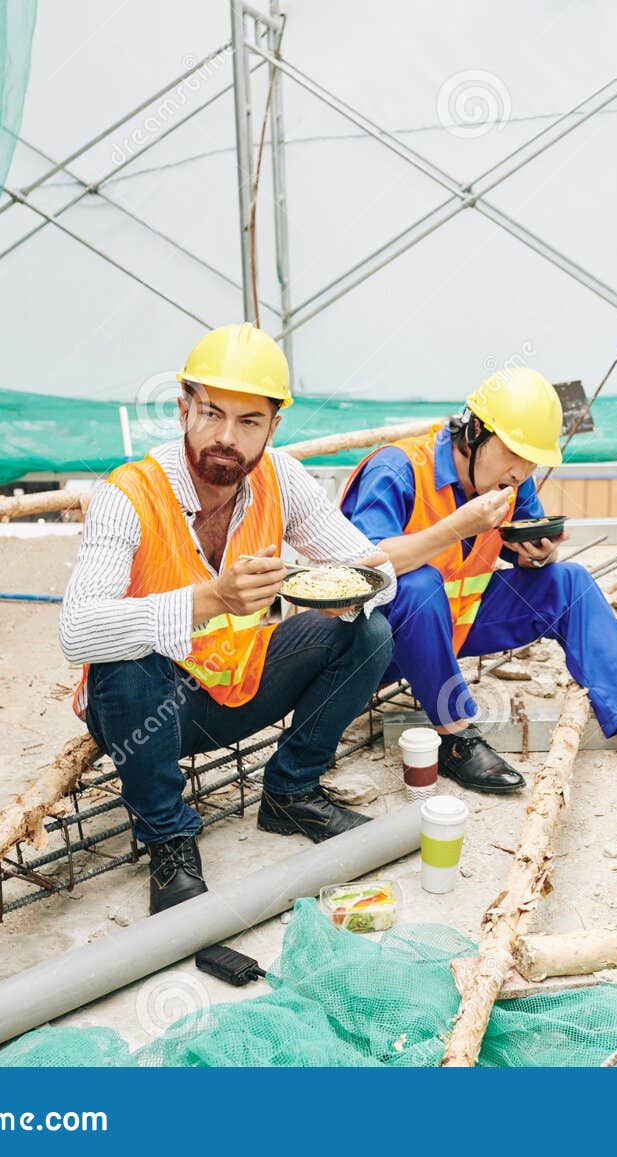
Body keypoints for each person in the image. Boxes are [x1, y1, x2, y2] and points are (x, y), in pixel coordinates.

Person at [60, 324, 395, 914]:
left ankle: (291, 792)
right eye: (211, 414)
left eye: (248, 422)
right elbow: (77, 631)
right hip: (146, 715)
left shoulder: (279, 477)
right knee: (125, 661)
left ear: (272, 428)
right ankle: (168, 840)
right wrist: (212, 598)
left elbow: (375, 570)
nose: (226, 438)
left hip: (235, 687)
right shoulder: (128, 495)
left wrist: (340, 591)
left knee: (367, 631)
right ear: (182, 409)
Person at [339, 366, 617, 792]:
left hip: (454, 626)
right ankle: (455, 738)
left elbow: (524, 552)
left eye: (532, 459)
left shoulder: (511, 481)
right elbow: (366, 568)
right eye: (514, 452)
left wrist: (536, 555)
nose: (522, 471)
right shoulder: (399, 469)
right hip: (376, 644)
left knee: (568, 582)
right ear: (476, 431)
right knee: (419, 584)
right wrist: (457, 527)